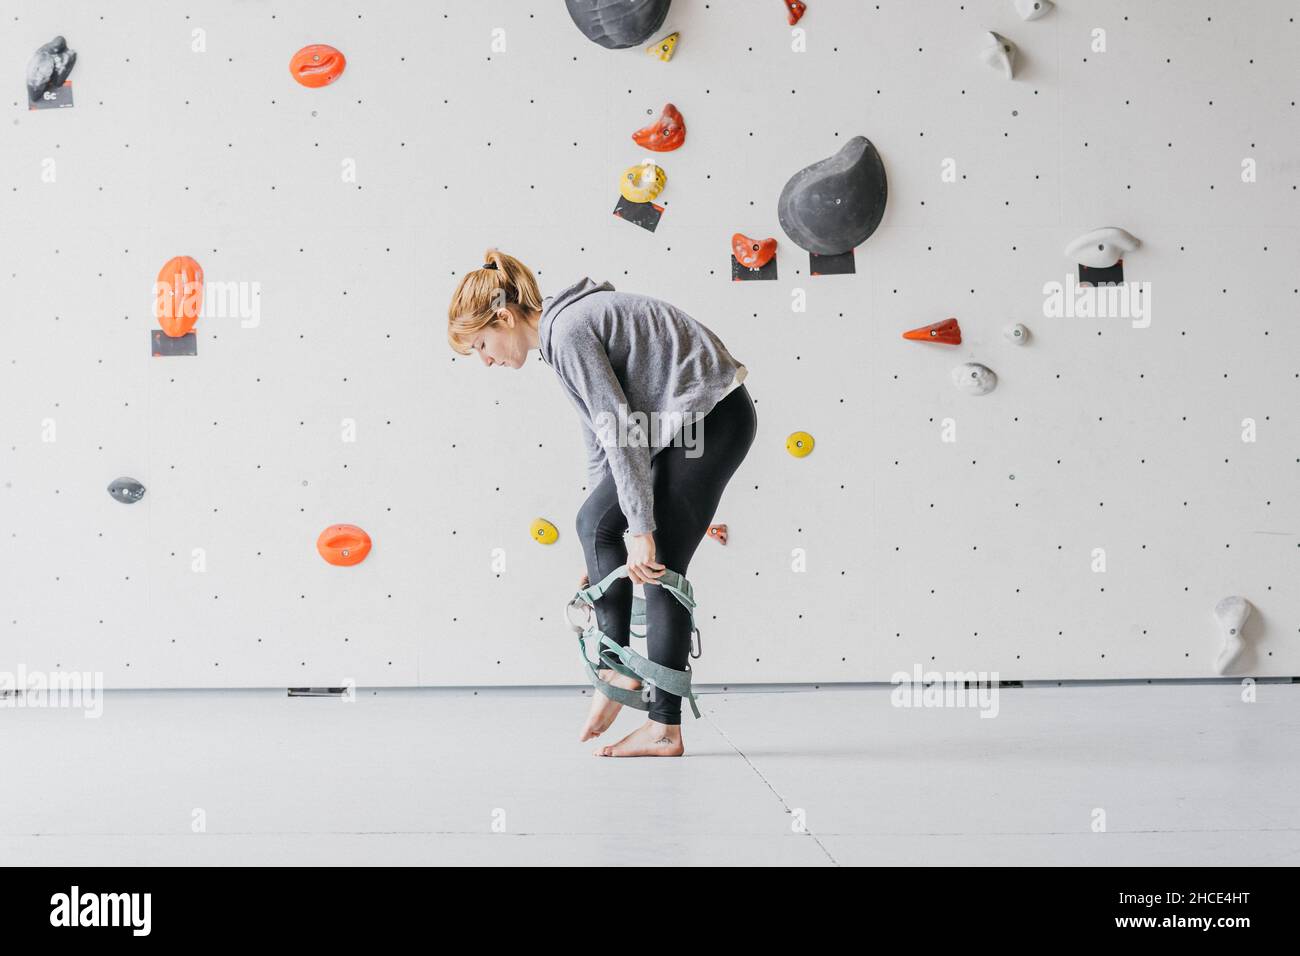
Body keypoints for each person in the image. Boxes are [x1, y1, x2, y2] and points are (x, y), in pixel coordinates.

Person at [447, 249, 756, 756]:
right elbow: (600, 443)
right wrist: (602, 553)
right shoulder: (562, 335)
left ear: (503, 317)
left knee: (659, 561)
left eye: (482, 345)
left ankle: (655, 717)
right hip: (686, 427)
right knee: (595, 522)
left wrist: (636, 531)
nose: (486, 360)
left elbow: (620, 434)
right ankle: (623, 674)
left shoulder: (568, 332)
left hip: (710, 422)